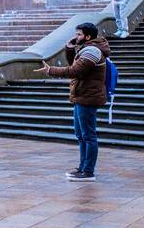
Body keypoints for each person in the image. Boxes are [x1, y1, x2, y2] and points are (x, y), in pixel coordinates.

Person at [34, 22, 109, 182]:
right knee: (81, 135)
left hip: (88, 97)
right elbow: (74, 65)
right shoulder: (86, 49)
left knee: (88, 136)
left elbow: (75, 71)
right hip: (81, 96)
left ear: (88, 36)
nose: (76, 37)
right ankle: (82, 168)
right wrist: (69, 49)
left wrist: (50, 70)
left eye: (79, 35)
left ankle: (88, 171)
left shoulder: (93, 51)